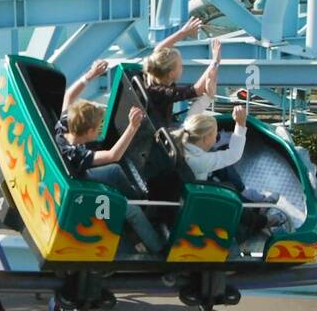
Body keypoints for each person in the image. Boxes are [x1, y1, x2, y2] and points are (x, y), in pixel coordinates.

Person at [54, 61, 163, 252]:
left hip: (74, 176)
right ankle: (159, 251)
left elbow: (69, 95)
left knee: (114, 171)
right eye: (97, 128)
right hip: (82, 188)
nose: (98, 131)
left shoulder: (64, 125)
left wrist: (90, 75)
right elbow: (114, 154)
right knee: (133, 211)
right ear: (87, 131)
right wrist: (133, 127)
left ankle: (139, 201)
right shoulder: (77, 155)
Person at [176, 107, 288, 237]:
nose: (216, 139)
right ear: (205, 139)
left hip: (191, 188)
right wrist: (240, 125)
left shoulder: (183, 143)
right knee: (227, 199)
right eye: (215, 135)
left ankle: (256, 207)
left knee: (227, 184)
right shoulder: (199, 161)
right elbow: (234, 155)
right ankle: (262, 222)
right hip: (197, 202)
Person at [142, 18, 220, 129]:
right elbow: (198, 89)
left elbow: (159, 49)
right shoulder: (164, 93)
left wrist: (183, 32)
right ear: (171, 74)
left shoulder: (152, 74)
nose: (182, 67)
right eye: (180, 66)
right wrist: (215, 62)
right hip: (162, 131)